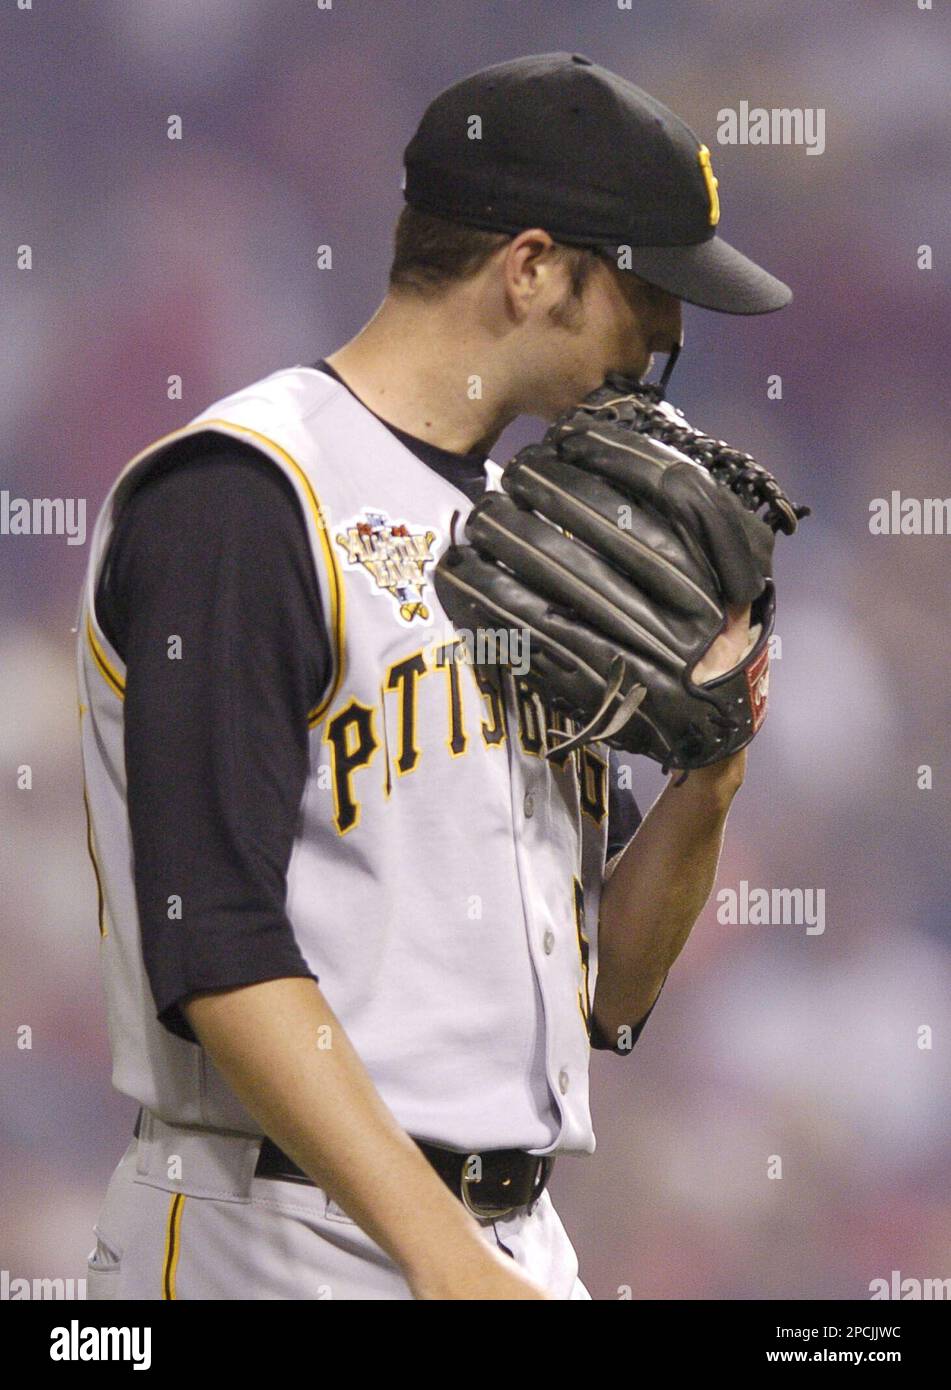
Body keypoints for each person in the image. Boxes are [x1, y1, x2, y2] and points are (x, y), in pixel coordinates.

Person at [76, 52, 791, 1301]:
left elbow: (610, 990)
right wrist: (444, 1258)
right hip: (268, 1237)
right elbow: (217, 949)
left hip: (510, 1238)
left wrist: (711, 769)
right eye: (645, 290)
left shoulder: (537, 544)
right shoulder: (246, 496)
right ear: (532, 269)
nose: (670, 334)